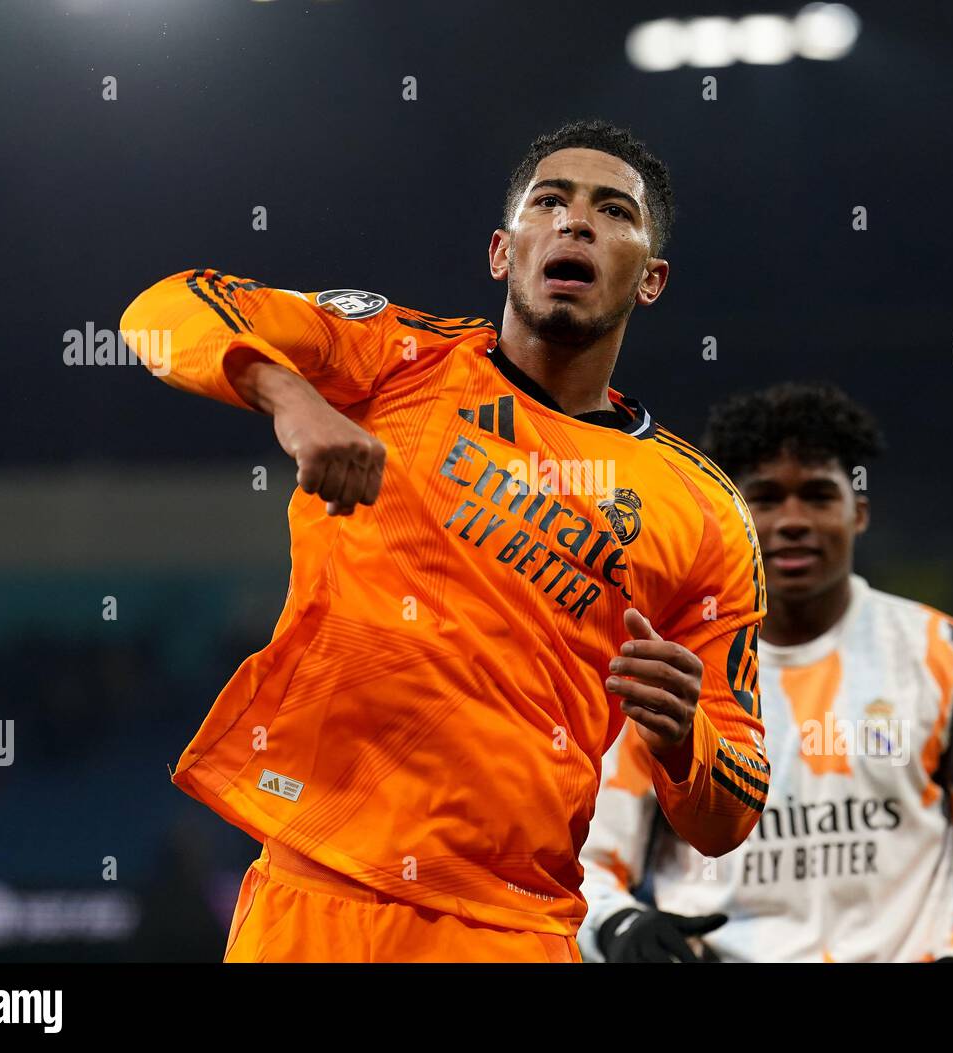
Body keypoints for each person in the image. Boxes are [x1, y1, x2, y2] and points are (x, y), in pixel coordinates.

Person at [118, 120, 769, 962]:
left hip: (512, 928)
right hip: (317, 894)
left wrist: (686, 738)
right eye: (551, 202)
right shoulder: (395, 361)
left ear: (651, 279)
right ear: (503, 252)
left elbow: (730, 812)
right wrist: (293, 397)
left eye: (613, 212)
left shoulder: (706, 510)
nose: (576, 224)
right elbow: (160, 311)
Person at [578, 383, 953, 962]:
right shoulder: (667, 669)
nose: (792, 521)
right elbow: (585, 860)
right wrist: (620, 926)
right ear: (727, 518)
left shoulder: (948, 657)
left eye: (817, 496)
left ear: (858, 512)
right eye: (764, 498)